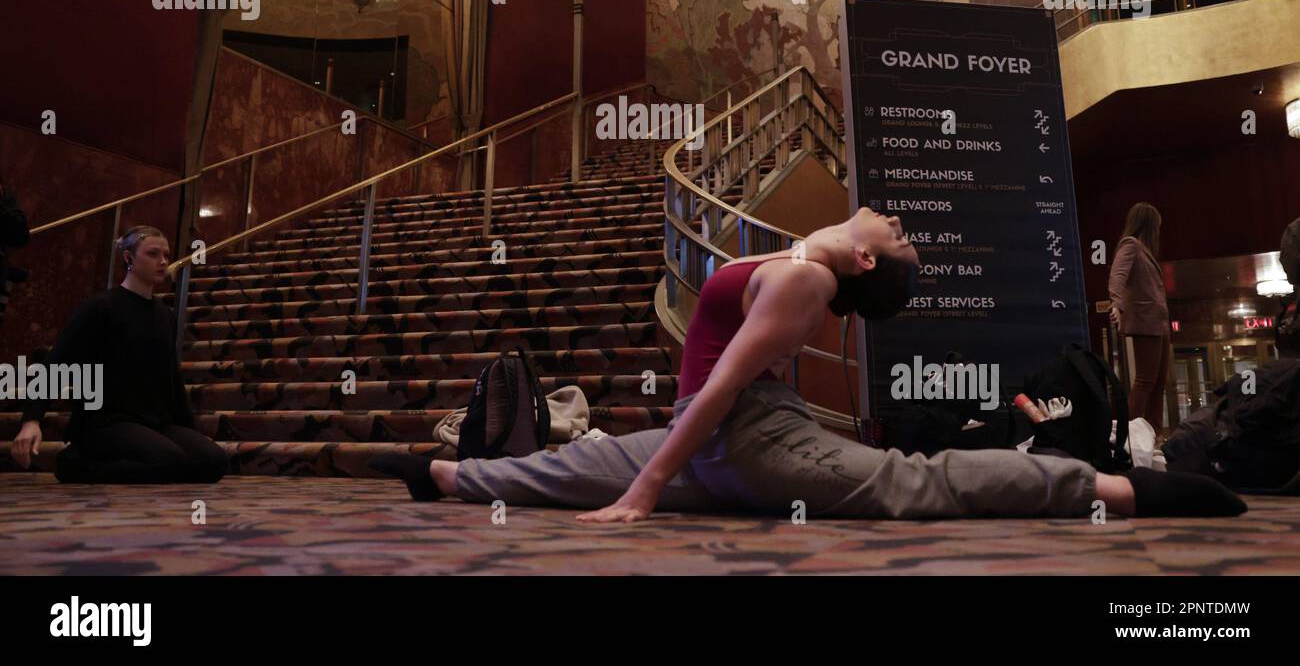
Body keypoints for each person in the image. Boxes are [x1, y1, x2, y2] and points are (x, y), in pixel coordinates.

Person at [372, 208, 1245, 521]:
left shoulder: (802, 276)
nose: (891, 222)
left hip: (743, 435)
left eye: (895, 238)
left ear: (865, 264)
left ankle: (1112, 491)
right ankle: (441, 475)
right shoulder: (804, 261)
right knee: (572, 466)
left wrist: (644, 495)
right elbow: (724, 383)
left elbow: (720, 385)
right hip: (716, 433)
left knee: (918, 479)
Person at [9, 225, 227, 484]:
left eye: (166, 255)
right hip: (105, 422)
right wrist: (31, 420)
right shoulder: (101, 307)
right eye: (153, 254)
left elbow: (171, 379)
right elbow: (57, 364)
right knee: (167, 460)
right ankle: (75, 465)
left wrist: (191, 433)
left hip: (153, 423)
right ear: (128, 258)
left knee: (213, 460)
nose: (163, 261)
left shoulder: (165, 316)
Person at [1108, 202, 1171, 435]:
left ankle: (1153, 435)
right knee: (1145, 381)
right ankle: (1131, 437)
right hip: (1147, 322)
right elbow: (1117, 274)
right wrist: (1116, 304)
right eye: (1157, 225)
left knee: (1158, 384)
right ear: (1149, 224)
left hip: (1159, 324)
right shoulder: (1131, 245)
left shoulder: (1144, 249)